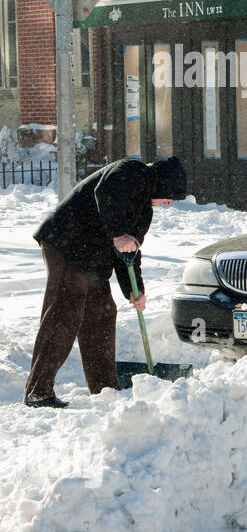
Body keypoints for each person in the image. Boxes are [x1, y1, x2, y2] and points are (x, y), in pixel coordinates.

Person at [24, 156, 188, 408]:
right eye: (171, 196)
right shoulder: (131, 170)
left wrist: (135, 290)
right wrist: (117, 234)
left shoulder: (144, 210)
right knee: (65, 311)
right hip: (66, 243)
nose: (170, 202)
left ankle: (105, 390)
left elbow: (129, 253)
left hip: (90, 259)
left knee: (102, 313)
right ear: (164, 183)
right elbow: (105, 194)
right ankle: (39, 391)